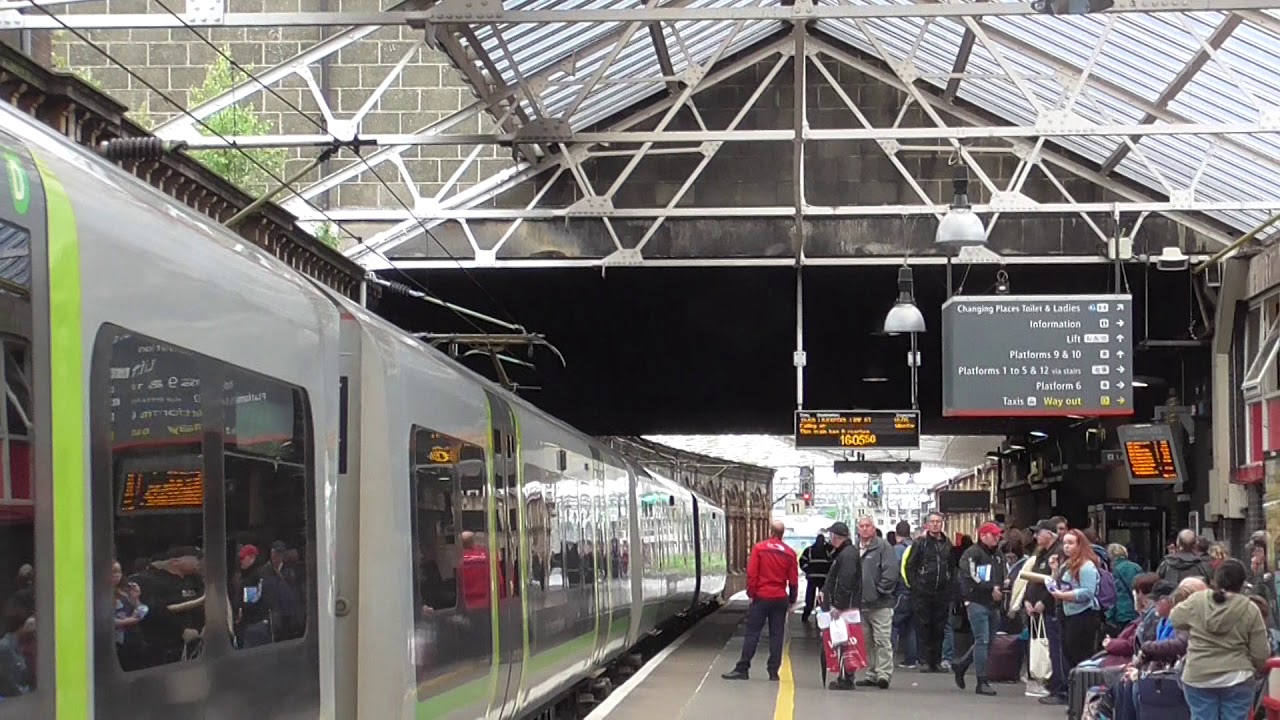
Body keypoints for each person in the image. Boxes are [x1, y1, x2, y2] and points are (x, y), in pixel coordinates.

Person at [1172, 559, 1270, 719]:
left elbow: (1175, 618)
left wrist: (1193, 627)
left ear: (1216, 579)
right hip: (1237, 675)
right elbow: (1260, 653)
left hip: (1198, 674)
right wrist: (1255, 666)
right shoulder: (1250, 609)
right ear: (1242, 582)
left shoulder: (1197, 600)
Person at [723, 521, 798, 682]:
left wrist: (752, 593)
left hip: (762, 598)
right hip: (780, 598)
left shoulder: (759, 548)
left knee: (752, 633)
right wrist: (792, 600)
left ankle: (743, 668)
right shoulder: (790, 553)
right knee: (777, 635)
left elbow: (752, 574)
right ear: (782, 533)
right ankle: (773, 672)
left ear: (770, 532)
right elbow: (793, 580)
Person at [952, 522, 1006, 697]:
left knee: (988, 642)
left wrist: (1002, 586)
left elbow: (1002, 573)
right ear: (983, 535)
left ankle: (961, 665)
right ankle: (981, 681)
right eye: (994, 535)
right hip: (977, 601)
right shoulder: (972, 554)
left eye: (998, 535)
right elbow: (972, 575)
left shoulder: (998, 555)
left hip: (993, 603)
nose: (998, 538)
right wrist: (991, 588)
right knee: (982, 640)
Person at [1026, 520, 1068, 706]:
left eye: (1038, 533)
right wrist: (1028, 599)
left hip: (1052, 610)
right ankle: (1053, 684)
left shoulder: (1057, 554)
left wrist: (1044, 601)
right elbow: (1033, 578)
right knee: (1050, 648)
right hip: (1038, 609)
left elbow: (1055, 581)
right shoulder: (1042, 553)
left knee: (1056, 650)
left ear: (1049, 534)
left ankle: (1060, 689)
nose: (1035, 536)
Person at [905, 512, 952, 674]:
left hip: (942, 592)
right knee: (923, 626)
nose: (935, 524)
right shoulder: (920, 543)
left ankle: (936, 661)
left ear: (942, 524)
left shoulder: (947, 544)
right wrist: (915, 586)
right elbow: (910, 565)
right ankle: (924, 660)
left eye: (938, 521)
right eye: (932, 522)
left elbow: (951, 566)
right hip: (923, 591)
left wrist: (950, 587)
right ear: (927, 524)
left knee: (939, 628)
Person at [1049, 529, 1102, 672]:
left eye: (1071, 543)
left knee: (1080, 655)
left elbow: (1088, 592)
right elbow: (1059, 584)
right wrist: (1054, 571)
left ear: (1080, 545)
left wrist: (1063, 596)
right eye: (1064, 543)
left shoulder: (1087, 566)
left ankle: (1083, 689)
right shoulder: (1066, 564)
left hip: (1083, 614)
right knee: (1068, 654)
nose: (1066, 546)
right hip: (1067, 613)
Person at [854, 516, 898, 689]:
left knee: (882, 640)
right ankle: (871, 673)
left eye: (868, 526)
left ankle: (884, 674)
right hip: (861, 604)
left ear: (874, 528)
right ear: (858, 529)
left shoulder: (883, 547)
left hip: (881, 604)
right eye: (862, 526)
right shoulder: (854, 548)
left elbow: (891, 571)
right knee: (866, 641)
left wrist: (880, 591)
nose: (865, 529)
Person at [820, 522, 860, 691]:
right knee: (841, 642)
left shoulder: (847, 555)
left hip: (845, 608)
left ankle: (846, 678)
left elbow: (845, 581)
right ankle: (844, 676)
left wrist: (839, 605)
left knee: (844, 642)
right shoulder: (845, 553)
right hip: (845, 605)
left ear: (835, 536)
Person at [891, 520, 918, 669]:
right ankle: (911, 659)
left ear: (896, 534)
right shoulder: (916, 547)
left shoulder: (897, 550)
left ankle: (888, 657)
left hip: (901, 592)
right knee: (911, 627)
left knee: (893, 625)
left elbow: (893, 572)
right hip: (916, 593)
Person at [1107, 543, 1143, 632]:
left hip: (1121, 613)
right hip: (1136, 611)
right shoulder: (1136, 567)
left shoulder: (1113, 571)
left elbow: (1112, 594)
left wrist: (1109, 616)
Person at [799, 533, 832, 623]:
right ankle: (820, 616)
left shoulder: (809, 550)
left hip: (812, 578)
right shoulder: (828, 550)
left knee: (810, 597)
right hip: (824, 578)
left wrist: (808, 571)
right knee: (821, 598)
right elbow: (833, 561)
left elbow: (802, 562)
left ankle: (805, 615)